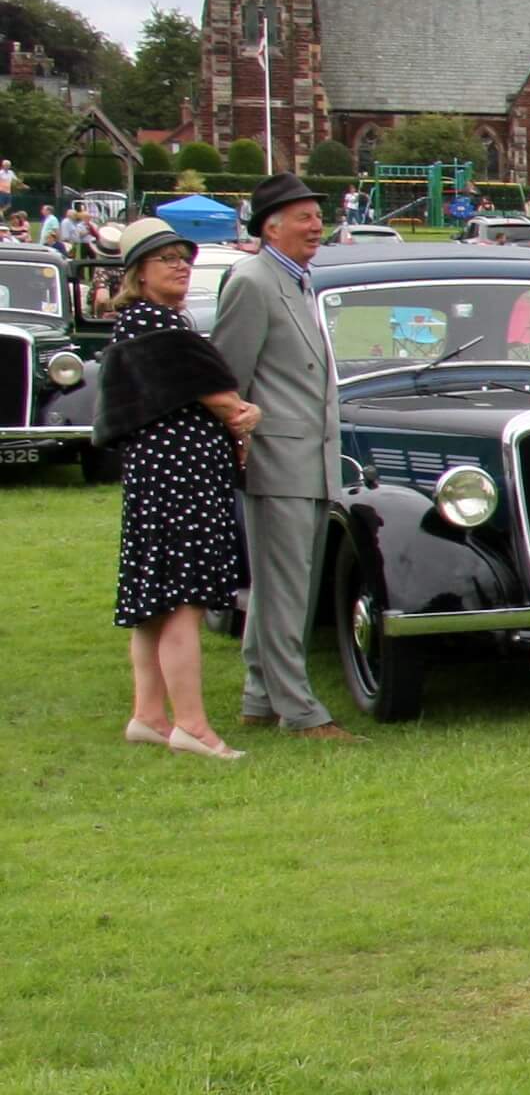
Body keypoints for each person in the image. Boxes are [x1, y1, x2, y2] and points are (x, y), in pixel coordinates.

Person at [98, 222, 261, 760]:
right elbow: (220, 396)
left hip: (158, 476)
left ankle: (148, 715)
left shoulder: (140, 324)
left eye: (183, 257)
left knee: (154, 605)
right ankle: (192, 726)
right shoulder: (157, 326)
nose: (179, 265)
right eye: (165, 259)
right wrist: (243, 413)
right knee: (184, 602)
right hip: (179, 478)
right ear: (138, 273)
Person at [210, 176, 357, 740]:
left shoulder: (299, 282)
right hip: (277, 461)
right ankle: (300, 712)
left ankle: (259, 698)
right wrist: (245, 446)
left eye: (318, 215)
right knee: (287, 586)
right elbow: (228, 379)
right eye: (302, 216)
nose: (316, 225)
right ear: (270, 226)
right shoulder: (253, 281)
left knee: (282, 585)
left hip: (310, 460)